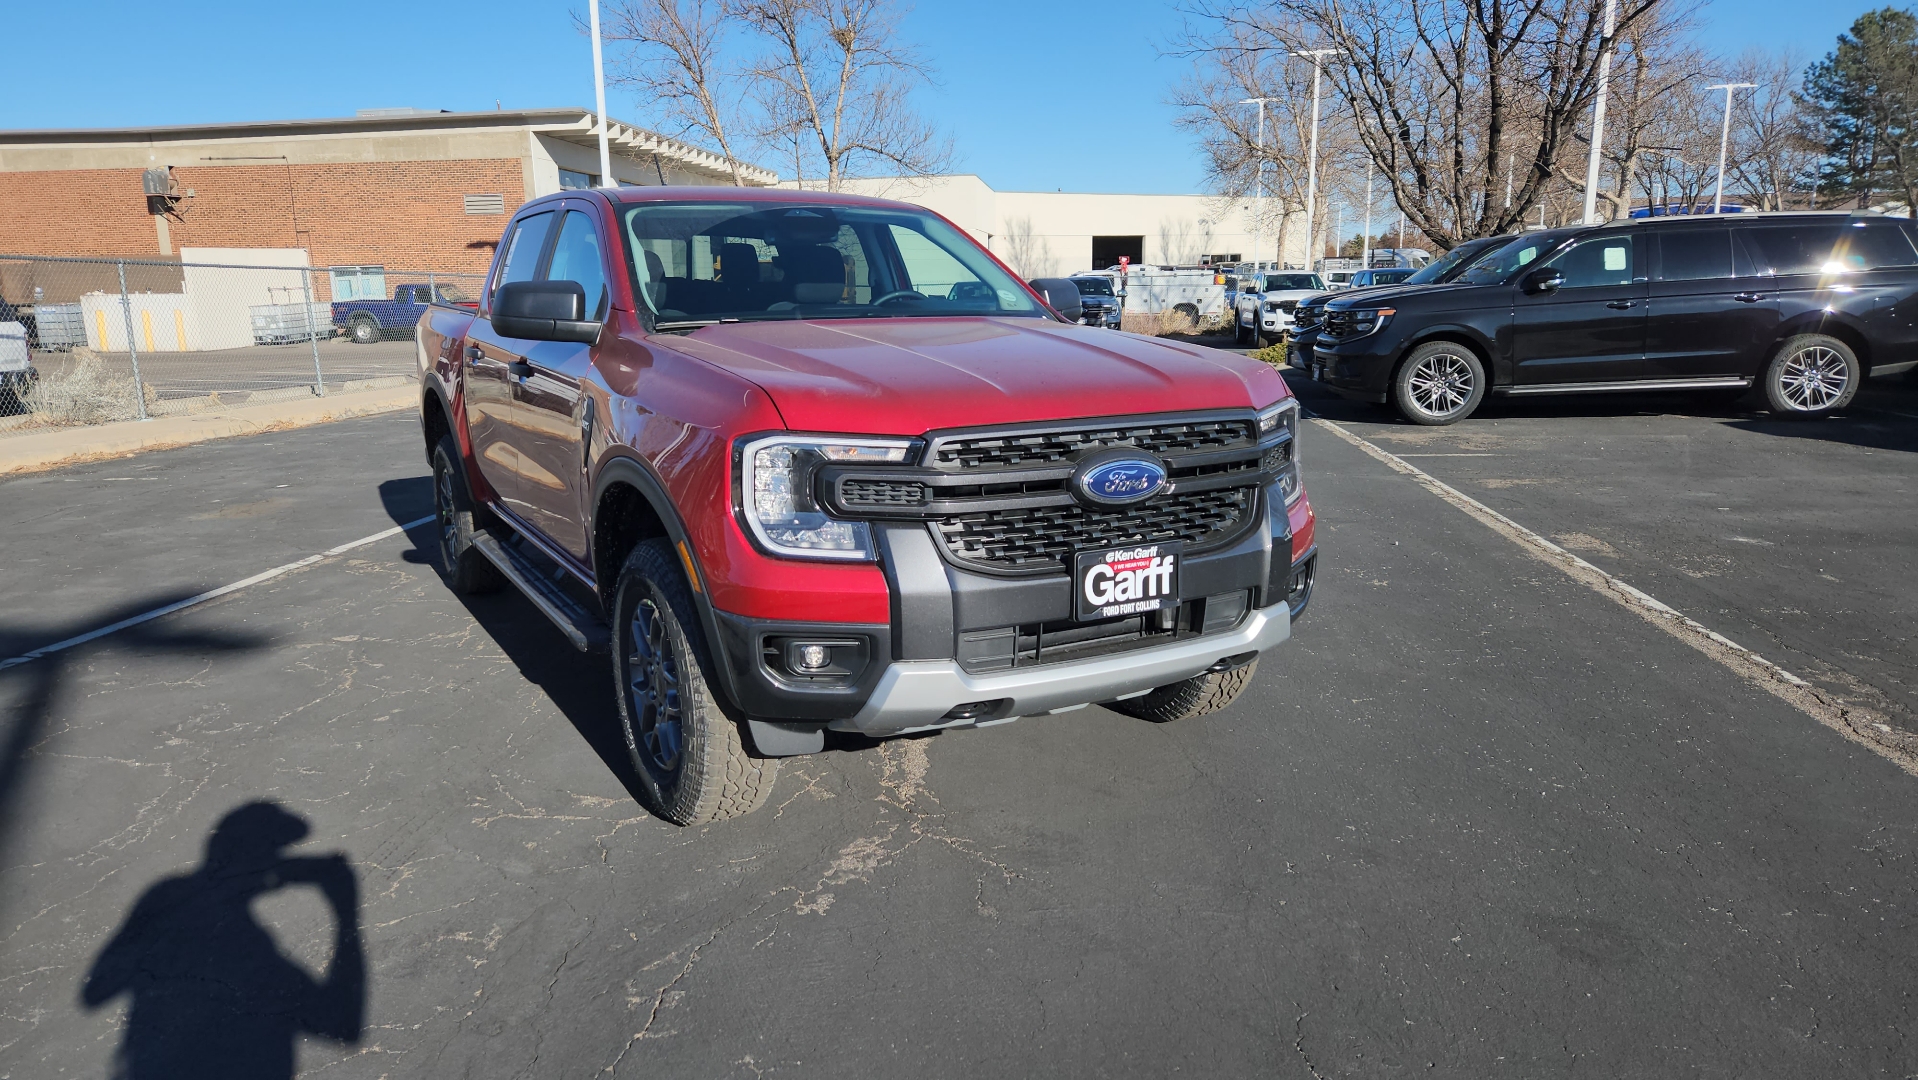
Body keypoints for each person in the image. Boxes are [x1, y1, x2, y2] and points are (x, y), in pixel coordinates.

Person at [82, 802, 364, 1080]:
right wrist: (346, 914)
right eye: (270, 853)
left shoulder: (172, 905)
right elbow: (342, 1023)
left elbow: (97, 988)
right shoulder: (244, 951)